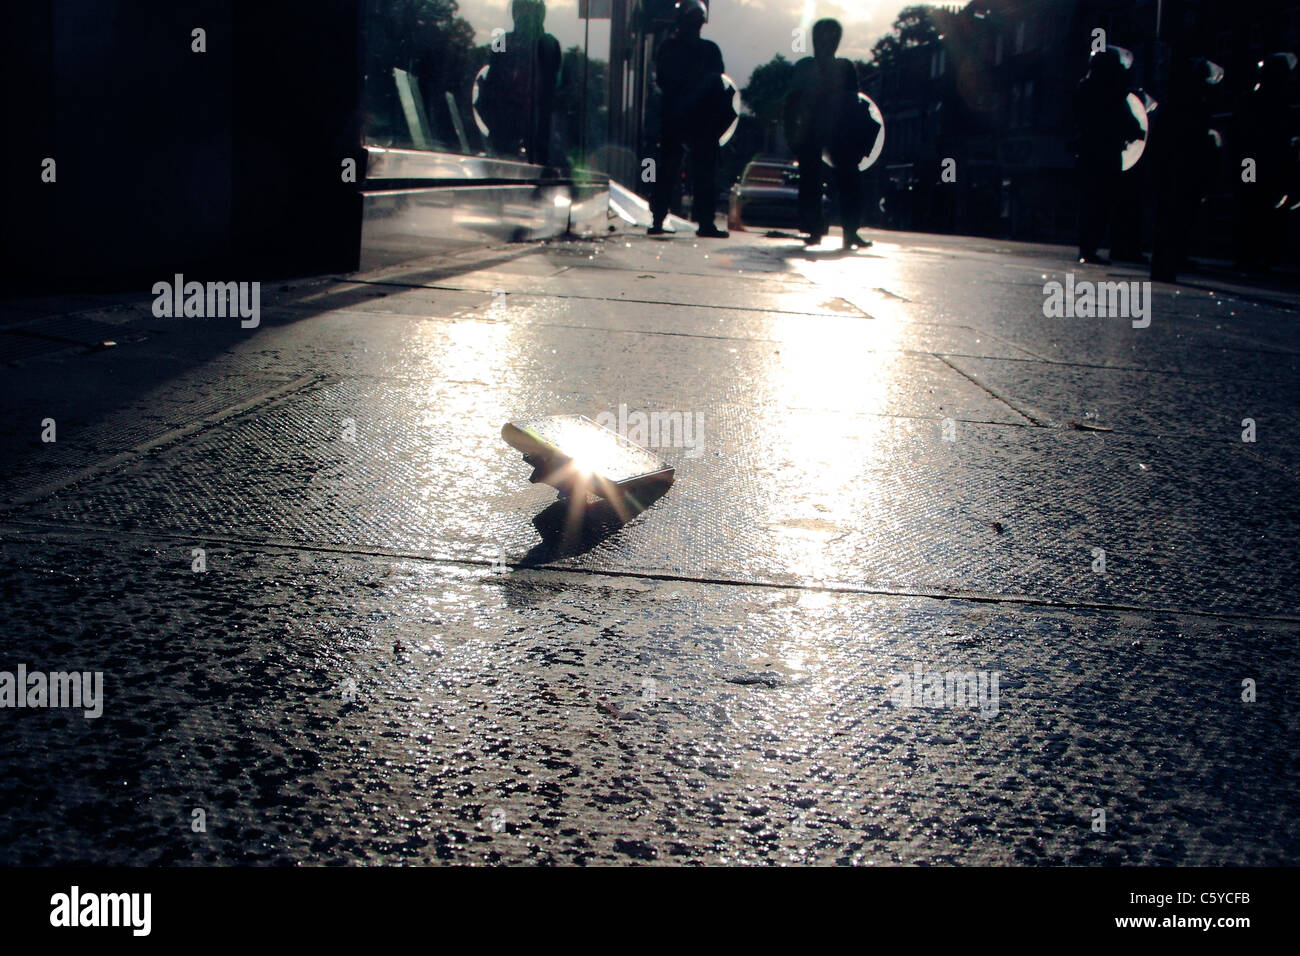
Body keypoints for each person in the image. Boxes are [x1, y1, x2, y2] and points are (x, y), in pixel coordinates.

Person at [784, 19, 870, 250]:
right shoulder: (809, 67)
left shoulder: (838, 67)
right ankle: (821, 229)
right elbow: (792, 103)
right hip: (819, 130)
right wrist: (791, 131)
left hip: (835, 130)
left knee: (844, 180)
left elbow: (853, 102)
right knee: (819, 180)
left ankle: (845, 231)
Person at [650, 0, 730, 238]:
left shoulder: (679, 49)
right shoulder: (681, 49)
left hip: (689, 118)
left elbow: (717, 84)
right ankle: (667, 218)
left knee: (687, 170)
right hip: (685, 118)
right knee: (674, 169)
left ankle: (673, 219)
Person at [1074, 47, 1145, 264]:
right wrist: (1137, 132)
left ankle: (1087, 248)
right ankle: (1099, 248)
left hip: (1087, 153)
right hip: (1108, 153)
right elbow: (1126, 122)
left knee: (1090, 202)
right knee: (1104, 202)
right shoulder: (1112, 94)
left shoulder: (1085, 88)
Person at [481, 0, 562, 166]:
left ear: (541, 12)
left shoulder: (549, 44)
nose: (524, 15)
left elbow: (550, 95)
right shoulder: (502, 41)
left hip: (536, 139)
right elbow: (490, 89)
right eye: (520, 8)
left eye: (531, 9)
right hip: (503, 137)